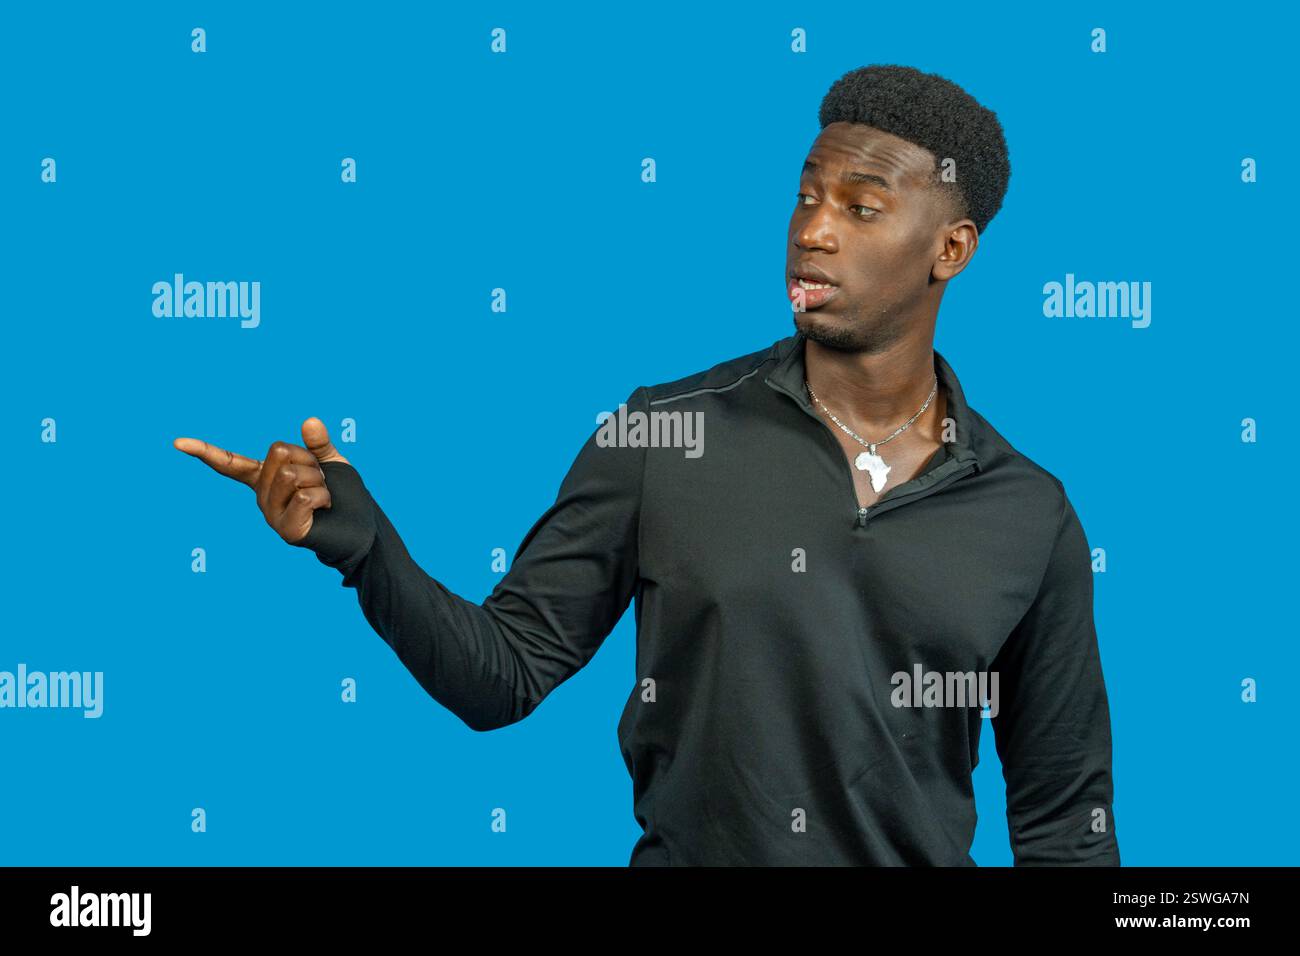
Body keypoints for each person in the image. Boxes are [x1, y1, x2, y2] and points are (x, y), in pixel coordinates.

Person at [175, 64, 1119, 866]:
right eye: (805, 194)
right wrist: (367, 550)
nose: (813, 230)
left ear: (950, 250)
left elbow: (1067, 822)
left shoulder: (1027, 514)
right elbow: (502, 676)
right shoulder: (664, 436)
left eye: (861, 207)